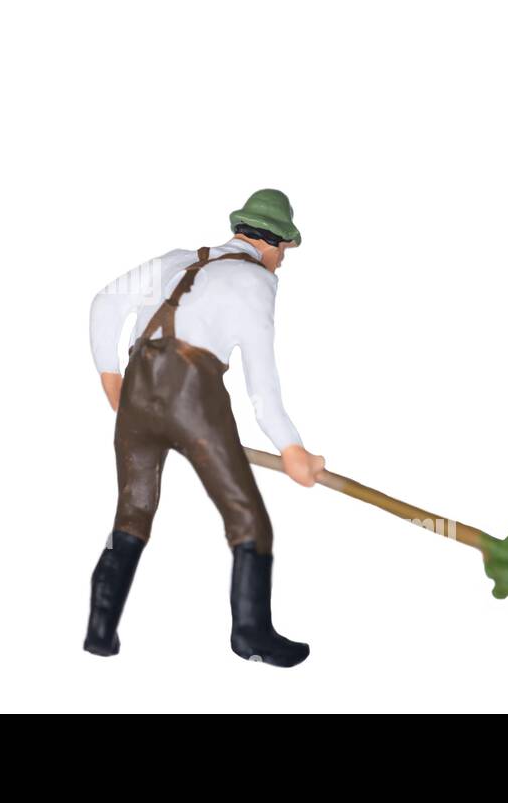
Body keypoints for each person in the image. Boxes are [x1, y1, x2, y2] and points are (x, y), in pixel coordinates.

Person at [85, 189, 325, 667]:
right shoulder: (255, 281)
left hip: (137, 393)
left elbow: (103, 303)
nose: (281, 263)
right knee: (246, 517)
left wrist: (110, 375)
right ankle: (251, 635)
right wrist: (292, 448)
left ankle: (100, 631)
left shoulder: (179, 259)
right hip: (193, 399)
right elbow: (262, 383)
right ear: (272, 244)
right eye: (283, 253)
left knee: (132, 512)